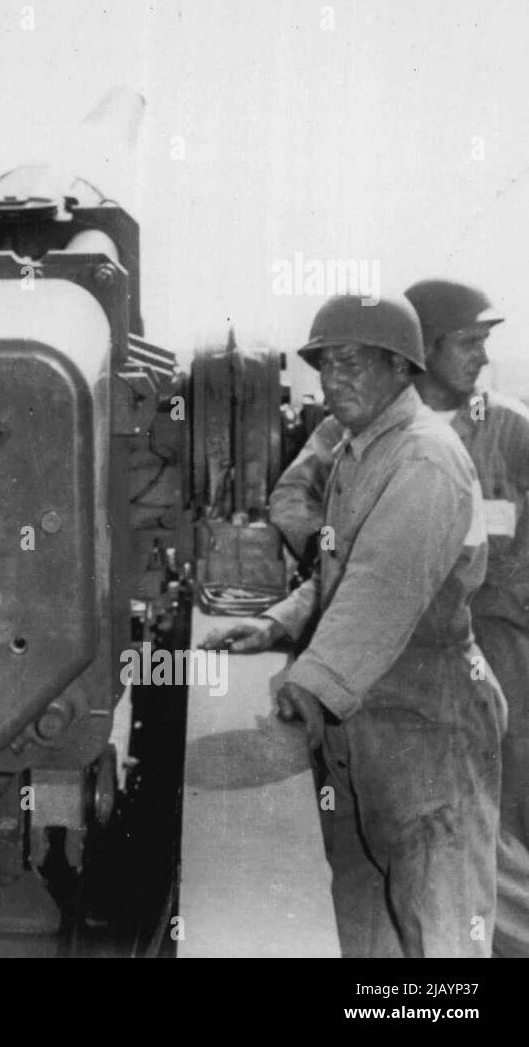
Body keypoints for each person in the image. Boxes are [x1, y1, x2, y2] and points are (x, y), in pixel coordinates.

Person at [210, 294, 506, 958]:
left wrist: (311, 681)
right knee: (369, 926)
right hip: (370, 723)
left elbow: (384, 586)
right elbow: (341, 570)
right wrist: (276, 624)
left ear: (401, 368)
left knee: (442, 932)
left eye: (352, 363)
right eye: (326, 365)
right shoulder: (360, 450)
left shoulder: (424, 458)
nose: (333, 379)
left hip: (430, 724)